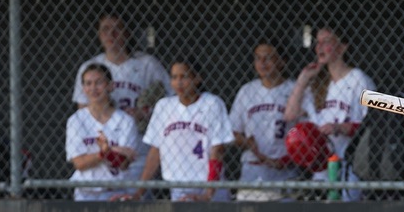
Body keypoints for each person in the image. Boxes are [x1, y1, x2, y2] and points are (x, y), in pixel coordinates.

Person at [71, 13, 172, 190]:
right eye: (105, 29)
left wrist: (144, 113)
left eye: (117, 29)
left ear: (127, 33)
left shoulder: (147, 64)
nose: (111, 34)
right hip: (101, 147)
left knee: (136, 197)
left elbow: (171, 103)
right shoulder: (90, 68)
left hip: (140, 145)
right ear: (99, 34)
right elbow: (83, 112)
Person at [284, 26, 374, 201]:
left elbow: (372, 127)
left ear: (342, 47)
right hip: (321, 165)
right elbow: (290, 115)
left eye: (326, 42)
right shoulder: (317, 83)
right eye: (317, 43)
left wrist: (339, 128)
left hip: (350, 164)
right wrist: (303, 80)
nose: (319, 47)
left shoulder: (358, 79)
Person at [131, 58, 233, 202]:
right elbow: (155, 151)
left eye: (184, 77)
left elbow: (218, 150)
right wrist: (139, 192)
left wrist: (208, 193)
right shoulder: (164, 106)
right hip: (179, 186)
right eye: (174, 77)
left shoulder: (212, 103)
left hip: (210, 184)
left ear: (197, 79)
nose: (178, 83)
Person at [229, 42, 299, 201]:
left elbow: (308, 130)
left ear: (282, 61)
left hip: (285, 169)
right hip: (253, 168)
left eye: (268, 58)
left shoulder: (295, 89)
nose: (262, 63)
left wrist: (288, 159)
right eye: (258, 58)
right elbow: (232, 131)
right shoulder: (247, 91)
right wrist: (247, 143)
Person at [65, 63, 139, 201]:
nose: (93, 88)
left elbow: (123, 164)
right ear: (83, 88)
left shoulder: (125, 121)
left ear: (110, 86)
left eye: (99, 82)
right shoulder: (76, 120)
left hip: (116, 191)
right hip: (86, 193)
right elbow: (80, 163)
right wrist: (106, 153)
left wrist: (107, 151)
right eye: (88, 83)